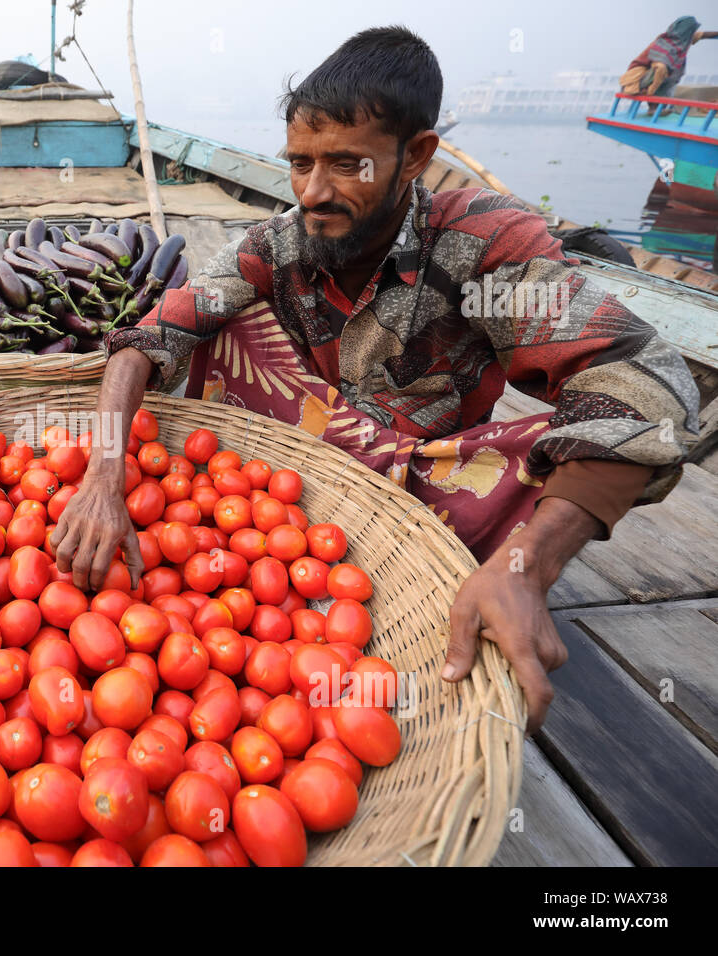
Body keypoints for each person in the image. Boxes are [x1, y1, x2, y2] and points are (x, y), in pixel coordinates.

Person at [49, 26, 700, 734]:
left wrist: (530, 563)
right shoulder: (281, 242)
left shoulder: (483, 242)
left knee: (579, 433)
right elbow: (146, 338)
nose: (313, 191)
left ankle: (495, 572)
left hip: (432, 482)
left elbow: (646, 379)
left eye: (346, 164)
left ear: (416, 155)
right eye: (299, 163)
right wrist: (104, 476)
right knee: (220, 319)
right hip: (302, 447)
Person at [619, 16, 717, 100]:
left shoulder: (684, 39)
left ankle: (655, 106)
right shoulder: (664, 44)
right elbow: (659, 68)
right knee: (665, 75)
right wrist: (650, 92)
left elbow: (704, 34)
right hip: (639, 78)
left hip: (660, 73)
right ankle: (653, 104)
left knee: (670, 76)